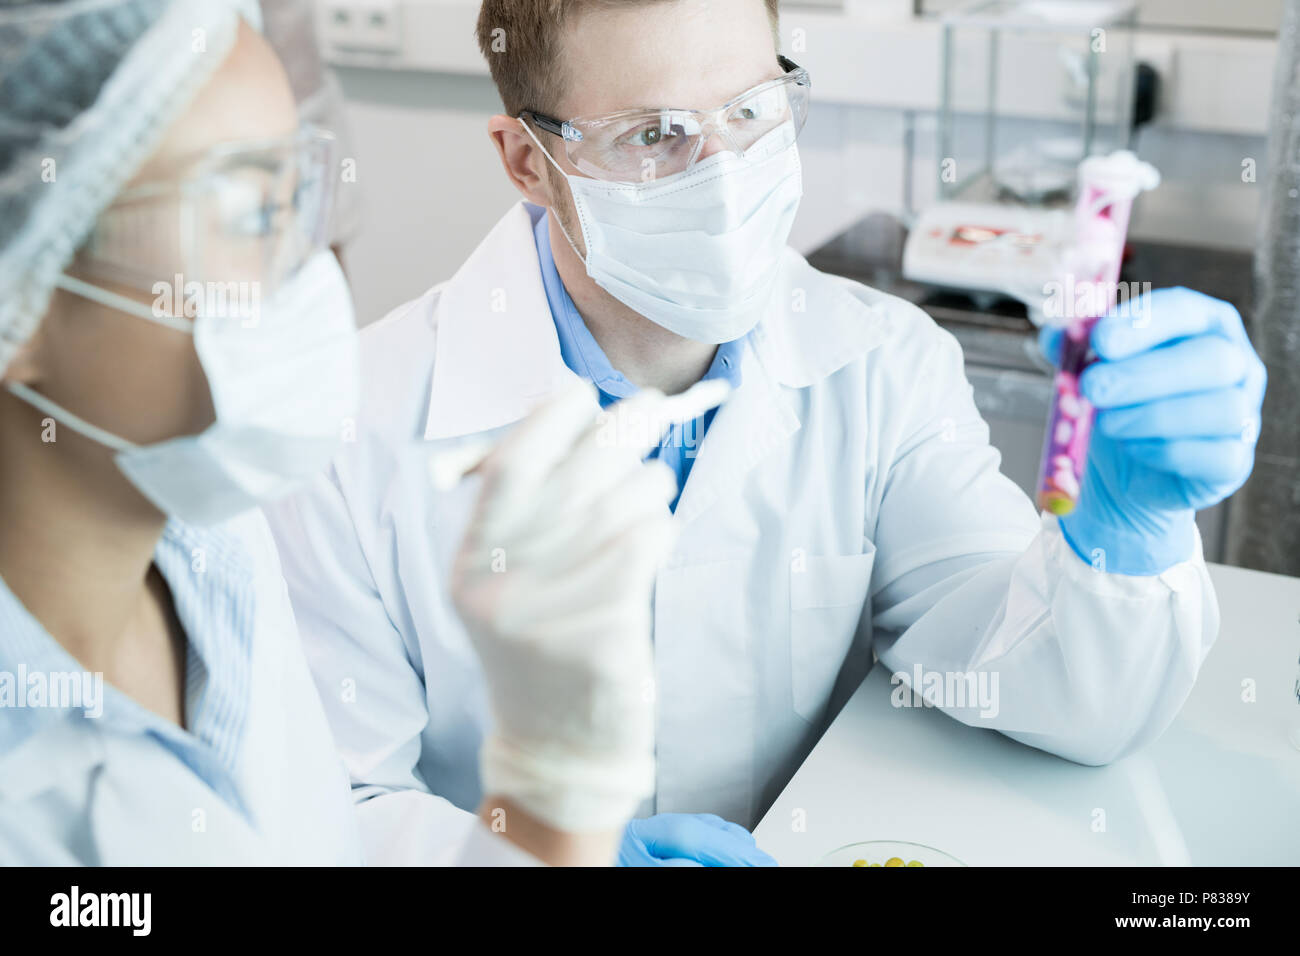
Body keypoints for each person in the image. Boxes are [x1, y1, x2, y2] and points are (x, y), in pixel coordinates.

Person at [263, 0, 1266, 841]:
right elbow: (324, 805)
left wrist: (1123, 535)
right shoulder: (353, 431)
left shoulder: (880, 361)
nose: (724, 170)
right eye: (655, 135)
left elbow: (1041, 687)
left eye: (751, 109)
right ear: (526, 163)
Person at [0, 0, 684, 867]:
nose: (313, 274)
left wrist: (553, 805)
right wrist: (553, 797)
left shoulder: (216, 545)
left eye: (302, 198)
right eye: (252, 215)